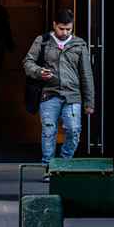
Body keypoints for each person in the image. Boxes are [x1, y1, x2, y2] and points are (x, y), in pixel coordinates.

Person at [23, 9, 95, 167]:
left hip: (72, 95)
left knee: (74, 130)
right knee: (49, 132)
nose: (65, 32)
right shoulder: (42, 41)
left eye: (69, 29)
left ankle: (63, 164)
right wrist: (39, 72)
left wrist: (89, 102)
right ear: (54, 25)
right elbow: (28, 62)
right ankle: (49, 167)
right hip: (49, 95)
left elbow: (86, 74)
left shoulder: (79, 44)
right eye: (61, 28)